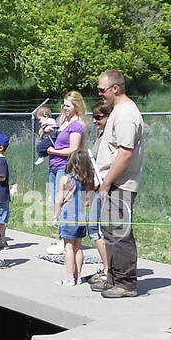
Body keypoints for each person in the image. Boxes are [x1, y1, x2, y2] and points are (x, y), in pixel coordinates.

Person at [92, 70, 144, 298]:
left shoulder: (125, 115)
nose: (100, 94)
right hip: (111, 183)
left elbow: (125, 154)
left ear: (115, 88)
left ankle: (126, 283)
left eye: (102, 90)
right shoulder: (117, 112)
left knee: (119, 232)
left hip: (120, 184)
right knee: (109, 231)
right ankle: (113, 278)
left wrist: (107, 183)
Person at [44, 93, 87, 254]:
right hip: (54, 166)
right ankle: (61, 237)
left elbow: (73, 149)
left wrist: (54, 150)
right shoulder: (62, 121)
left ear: (76, 106)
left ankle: (66, 241)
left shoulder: (76, 126)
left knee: (63, 200)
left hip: (65, 167)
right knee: (55, 201)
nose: (64, 108)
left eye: (68, 105)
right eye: (64, 105)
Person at [55, 149, 97, 286]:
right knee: (78, 247)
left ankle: (69, 277)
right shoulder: (87, 181)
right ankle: (78, 276)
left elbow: (59, 200)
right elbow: (87, 201)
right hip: (81, 216)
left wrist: (55, 215)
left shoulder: (65, 179)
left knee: (68, 247)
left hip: (68, 216)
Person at [84, 100, 113, 285]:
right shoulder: (100, 136)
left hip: (106, 189)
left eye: (99, 117)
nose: (95, 120)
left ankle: (109, 270)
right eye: (93, 117)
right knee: (94, 228)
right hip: (96, 188)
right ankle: (107, 267)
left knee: (101, 230)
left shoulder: (110, 139)